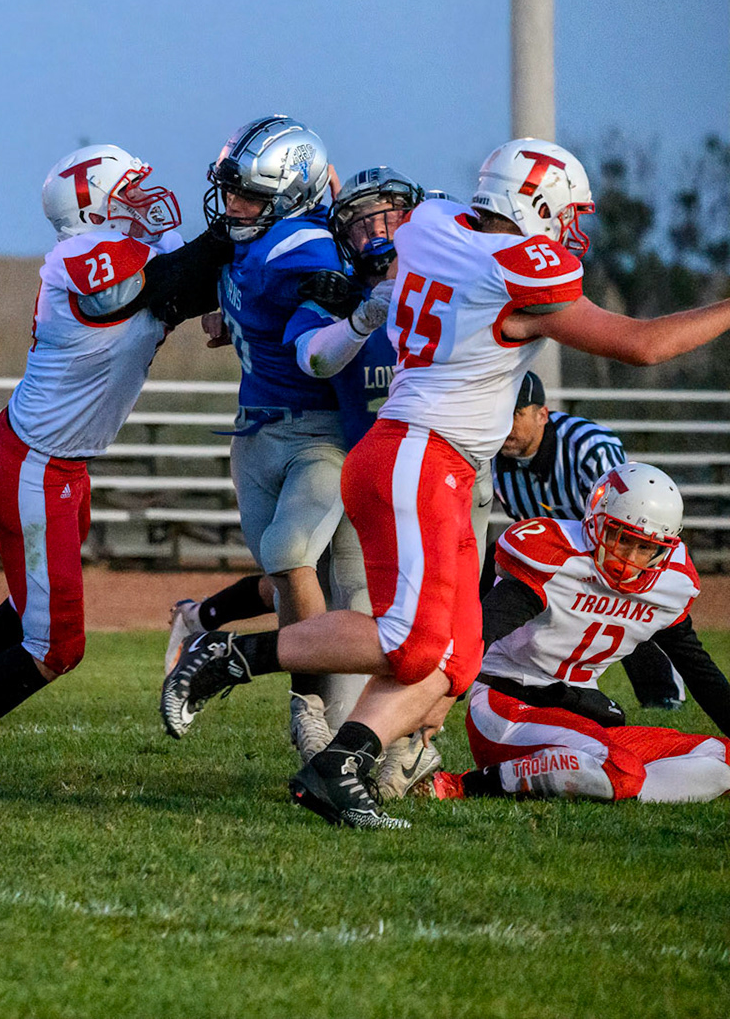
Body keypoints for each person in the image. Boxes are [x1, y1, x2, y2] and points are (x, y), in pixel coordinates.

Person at [164, 138, 730, 828]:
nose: (571, 228)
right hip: (419, 454)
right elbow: (643, 344)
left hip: (436, 460)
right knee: (411, 641)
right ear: (536, 203)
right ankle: (232, 653)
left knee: (457, 659)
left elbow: (426, 236)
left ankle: (338, 766)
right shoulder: (503, 262)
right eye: (565, 212)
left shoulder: (436, 228)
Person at [0, 144, 227, 794]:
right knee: (57, 645)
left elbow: (182, 288)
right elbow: (170, 286)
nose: (142, 200)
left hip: (55, 463)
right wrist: (223, 236)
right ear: (93, 204)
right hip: (33, 463)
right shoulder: (81, 260)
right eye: (126, 191)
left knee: (27, 610)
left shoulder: (121, 262)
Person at [165, 166, 441, 796]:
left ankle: (326, 717)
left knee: (388, 600)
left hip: (391, 454)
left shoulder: (309, 248)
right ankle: (384, 746)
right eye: (363, 219)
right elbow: (309, 341)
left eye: (251, 194)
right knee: (317, 583)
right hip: (300, 438)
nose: (378, 231)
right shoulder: (280, 253)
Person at [421, 463, 730, 803]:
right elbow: (481, 633)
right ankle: (466, 785)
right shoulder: (557, 558)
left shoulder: (667, 586)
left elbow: (699, 670)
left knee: (723, 755)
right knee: (619, 768)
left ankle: (603, 783)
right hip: (509, 704)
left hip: (582, 714)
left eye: (645, 548)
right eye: (622, 538)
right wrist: (441, 698)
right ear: (595, 522)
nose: (629, 559)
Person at [195, 116, 354, 765]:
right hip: (253, 434)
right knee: (286, 572)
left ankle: (310, 708)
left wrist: (349, 266)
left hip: (317, 433)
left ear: (291, 199)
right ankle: (201, 617)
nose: (233, 205)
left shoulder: (297, 244)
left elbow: (332, 260)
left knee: (293, 555)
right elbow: (236, 305)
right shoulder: (249, 244)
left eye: (250, 195)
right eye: (231, 190)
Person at [489, 371, 684, 709]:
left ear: (541, 414)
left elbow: (623, 511)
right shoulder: (488, 449)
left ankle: (662, 693)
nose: (505, 425)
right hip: (551, 551)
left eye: (516, 414)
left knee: (622, 601)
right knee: (487, 581)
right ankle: (467, 675)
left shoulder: (588, 447)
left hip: (604, 544)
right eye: (499, 412)